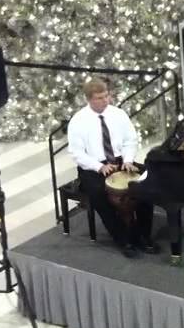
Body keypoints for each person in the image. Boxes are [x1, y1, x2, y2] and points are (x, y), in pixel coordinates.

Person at [67, 79, 157, 258]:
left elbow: (130, 140)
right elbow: (77, 153)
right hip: (93, 168)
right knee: (100, 196)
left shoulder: (118, 114)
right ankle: (123, 240)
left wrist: (129, 159)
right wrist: (99, 166)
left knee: (147, 183)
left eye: (106, 96)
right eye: (100, 98)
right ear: (89, 99)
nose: (105, 100)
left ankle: (143, 235)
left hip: (121, 161)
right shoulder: (78, 121)